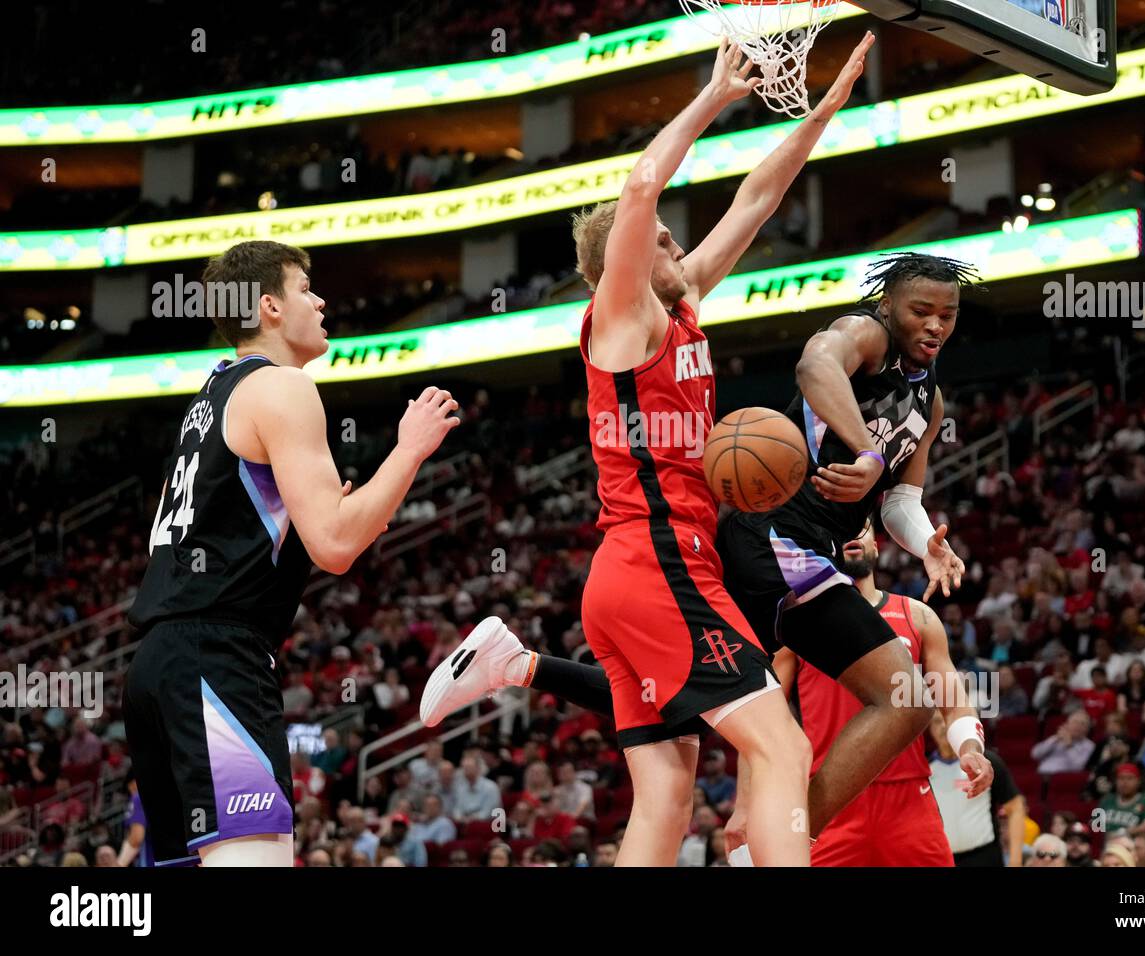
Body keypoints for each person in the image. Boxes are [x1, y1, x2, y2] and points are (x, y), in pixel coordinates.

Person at [423, 32, 879, 868]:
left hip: (629, 578)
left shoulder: (684, 304)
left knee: (667, 794)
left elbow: (756, 197)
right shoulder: (623, 320)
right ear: (624, 269)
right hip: (660, 561)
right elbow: (639, 186)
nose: (679, 245)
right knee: (780, 743)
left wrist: (824, 111)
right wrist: (712, 98)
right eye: (665, 240)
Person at [123, 240, 460, 866]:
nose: (321, 299)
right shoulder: (284, 387)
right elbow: (335, 545)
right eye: (307, 288)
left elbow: (324, 534)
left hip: (159, 667)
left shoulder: (214, 395)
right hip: (216, 658)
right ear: (271, 306)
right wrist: (409, 448)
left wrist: (352, 514)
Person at [754, 520, 991, 866]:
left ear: (878, 545)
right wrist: (749, 800)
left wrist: (972, 749)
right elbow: (763, 719)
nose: (851, 532)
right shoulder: (795, 624)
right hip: (829, 799)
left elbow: (955, 706)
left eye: (860, 525)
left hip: (908, 800)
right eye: (842, 524)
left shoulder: (919, 617)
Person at [930, 711, 1024, 867]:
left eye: (947, 721)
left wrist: (1015, 860)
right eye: (937, 722)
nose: (943, 727)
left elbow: (1015, 807)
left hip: (984, 856)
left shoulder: (985, 762)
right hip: (941, 859)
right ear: (929, 728)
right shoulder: (925, 769)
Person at [1098, 763, 1145, 839]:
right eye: (1121, 778)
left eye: (1130, 778)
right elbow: (1095, 826)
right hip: (1105, 844)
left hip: (1131, 845)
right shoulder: (1107, 799)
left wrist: (1123, 833)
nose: (1125, 782)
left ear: (1138, 781)